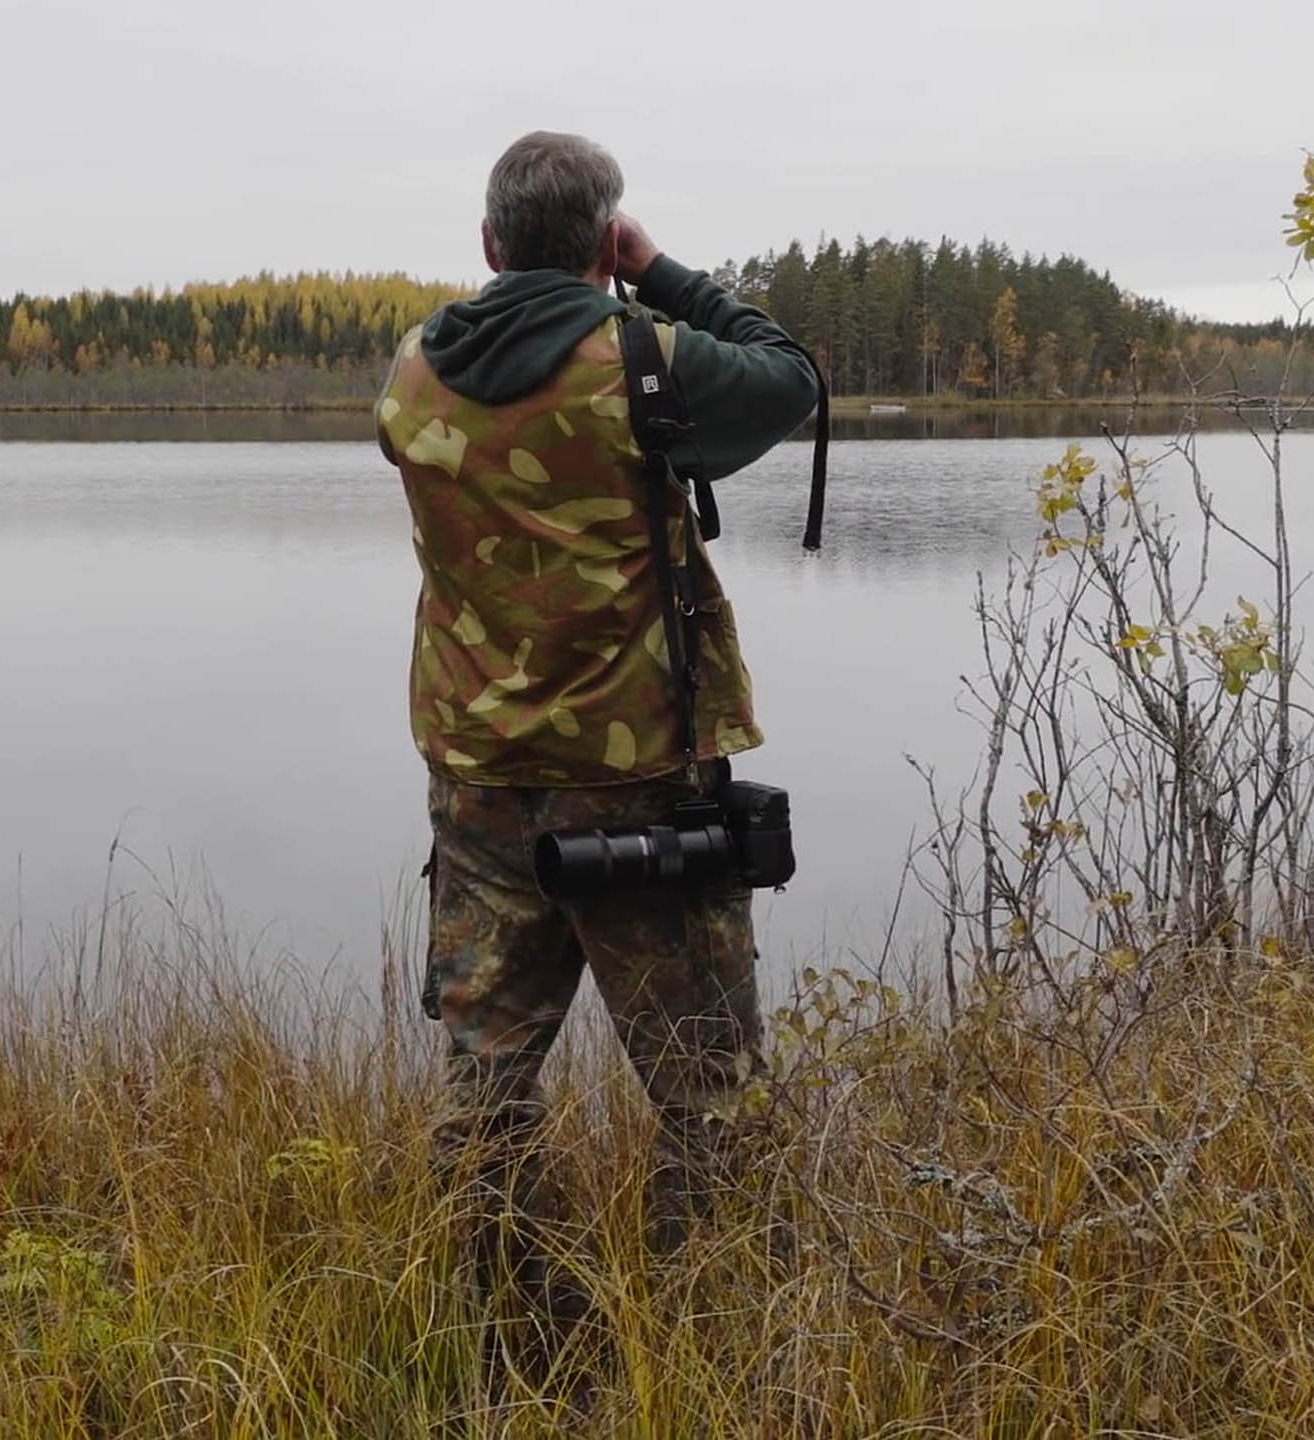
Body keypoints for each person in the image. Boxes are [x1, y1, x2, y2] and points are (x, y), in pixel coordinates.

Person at [376, 131, 819, 1314]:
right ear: (604, 245)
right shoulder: (640, 360)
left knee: (485, 1086)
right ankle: (711, 1336)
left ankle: (489, 1328)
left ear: (486, 243)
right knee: (706, 1094)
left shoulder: (412, 373)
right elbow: (789, 380)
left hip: (478, 781)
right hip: (638, 791)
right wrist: (661, 270)